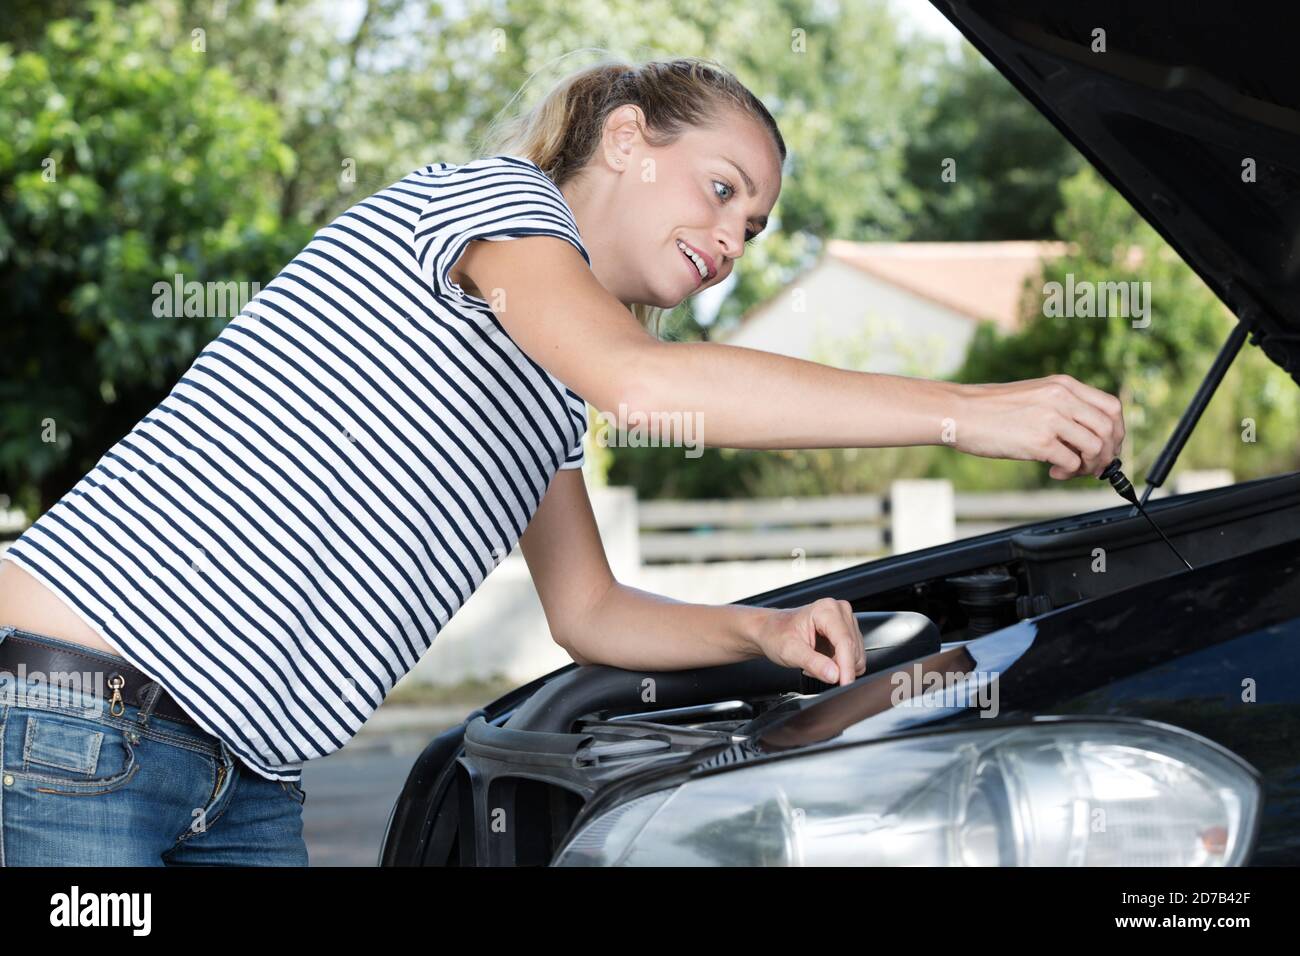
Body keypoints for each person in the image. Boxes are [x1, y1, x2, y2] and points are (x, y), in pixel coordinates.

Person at [0, 56, 1124, 866]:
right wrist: (969, 411)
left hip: (246, 780)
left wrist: (762, 633)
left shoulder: (545, 381)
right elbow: (649, 381)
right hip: (78, 714)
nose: (733, 240)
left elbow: (587, 611)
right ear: (628, 139)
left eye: (758, 227)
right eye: (722, 188)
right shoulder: (489, 205)